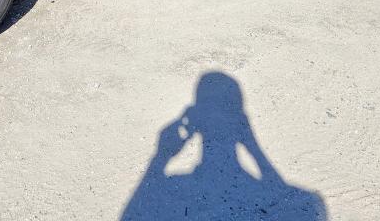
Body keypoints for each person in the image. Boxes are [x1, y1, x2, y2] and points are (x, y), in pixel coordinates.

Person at [122, 72, 327, 220]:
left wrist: (160, 158)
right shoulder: (309, 202)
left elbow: (132, 211)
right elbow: (282, 196)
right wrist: (251, 145)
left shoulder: (173, 189)